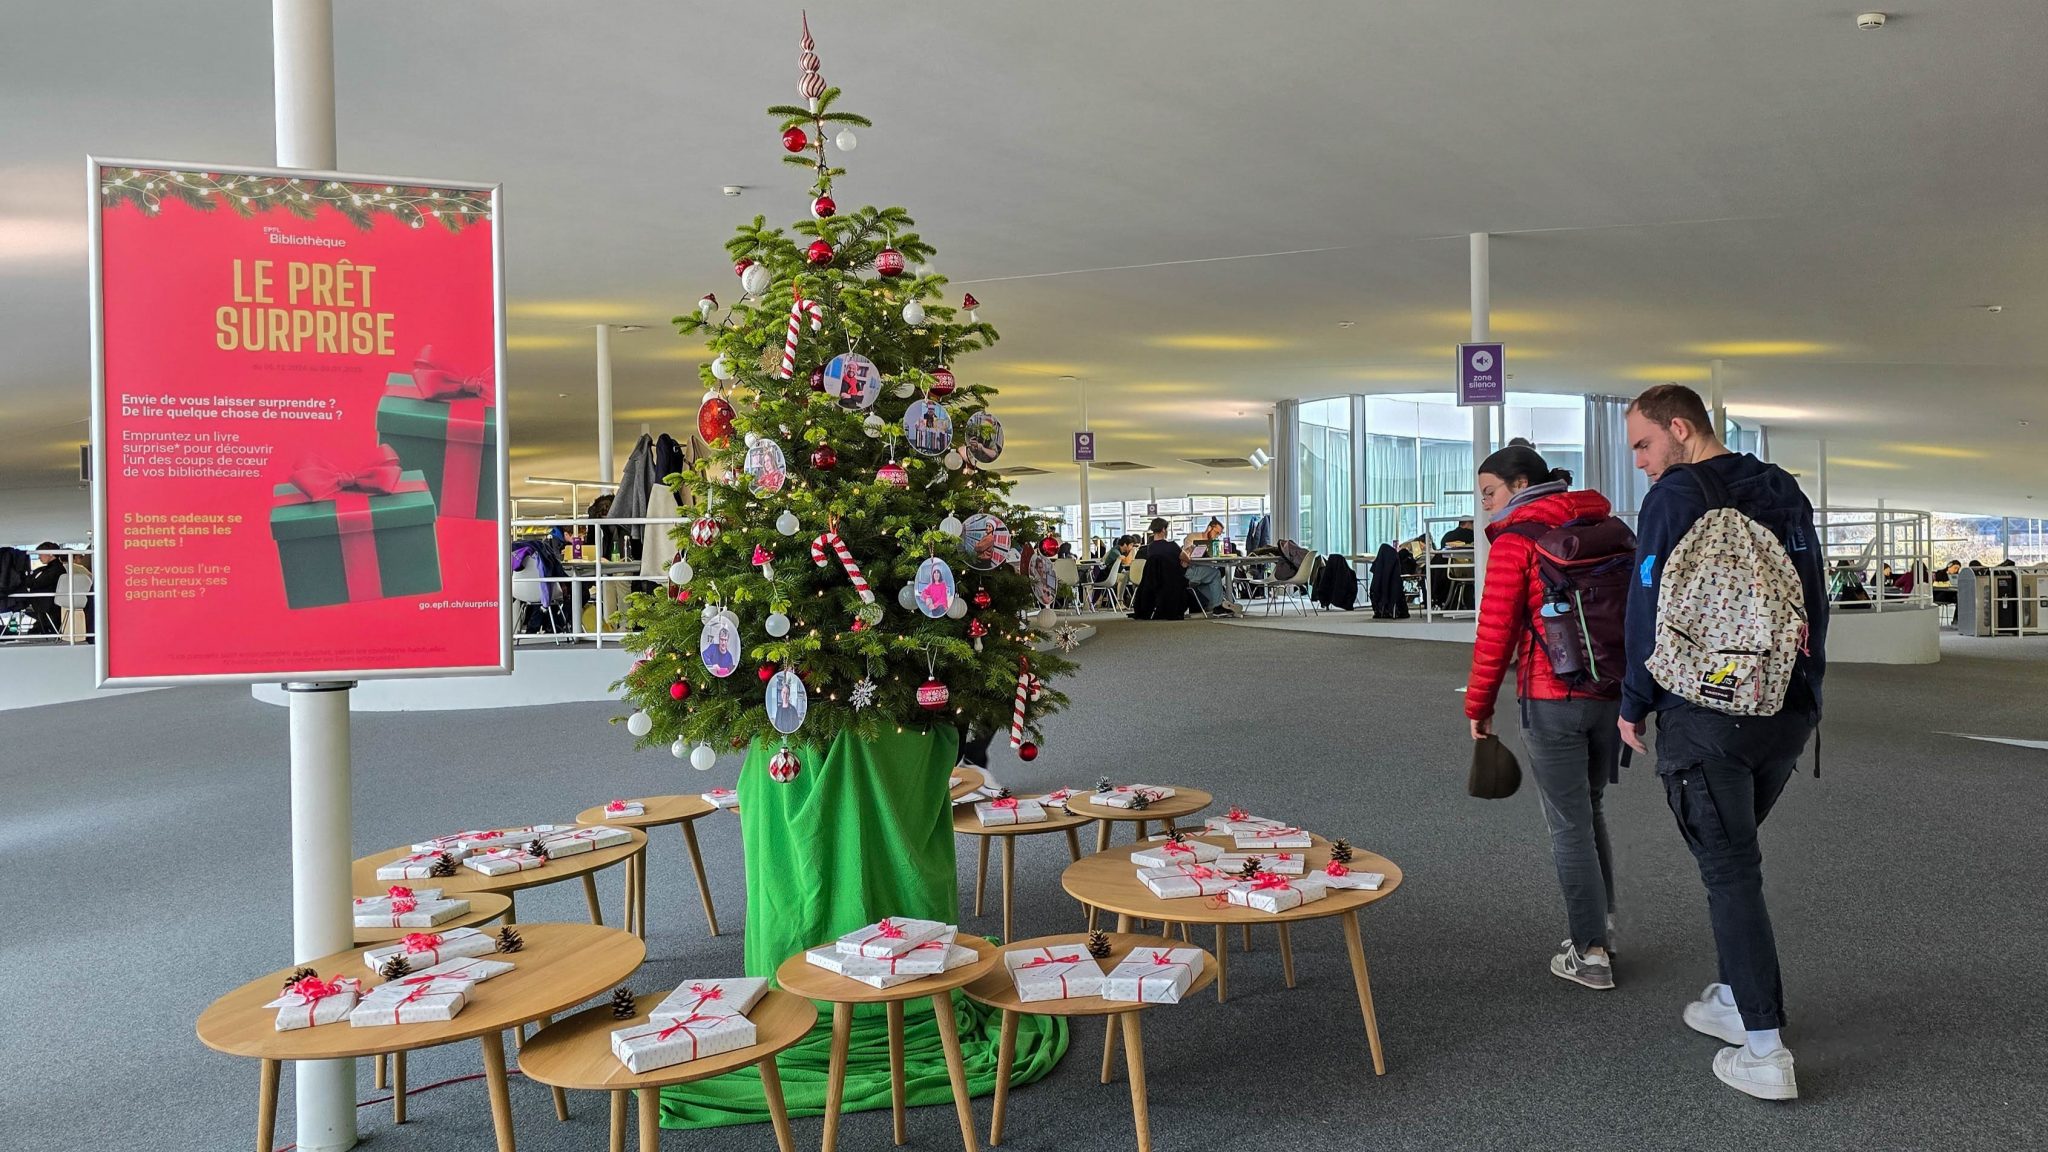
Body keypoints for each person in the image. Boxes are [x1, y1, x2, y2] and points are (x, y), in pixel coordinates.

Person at [1621, 383, 1827, 1102]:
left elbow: (1646, 602)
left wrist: (1633, 701)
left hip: (1707, 712)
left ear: (1681, 429)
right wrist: (1808, 691)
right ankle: (1739, 998)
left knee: (1730, 869)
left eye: (1645, 444)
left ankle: (1765, 1048)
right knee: (1730, 857)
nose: (1643, 463)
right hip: (1786, 709)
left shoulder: (1676, 497)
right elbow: (1814, 596)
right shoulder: (1781, 491)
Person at [1464, 447, 1624, 991]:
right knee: (1589, 808)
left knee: (1567, 824)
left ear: (1521, 484)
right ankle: (1599, 927)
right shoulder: (1602, 523)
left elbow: (1495, 635)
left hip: (1551, 696)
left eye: (1489, 492)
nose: (1485, 506)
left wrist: (1478, 708)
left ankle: (1591, 953)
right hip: (1610, 692)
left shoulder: (1517, 541)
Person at [1130, 518, 1194, 620]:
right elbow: (1187, 559)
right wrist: (1188, 552)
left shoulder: (1150, 548)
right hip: (1173, 582)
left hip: (1155, 582)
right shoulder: (1172, 545)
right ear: (1164, 529)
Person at [1181, 518, 1241, 616]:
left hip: (1203, 572)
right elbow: (1186, 555)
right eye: (1216, 532)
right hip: (1190, 570)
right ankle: (1218, 607)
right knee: (1215, 574)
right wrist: (1194, 549)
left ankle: (1218, 606)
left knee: (1212, 581)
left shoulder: (1214, 543)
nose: (1217, 536)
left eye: (1219, 534)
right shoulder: (1192, 537)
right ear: (1209, 528)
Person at [20, 542, 68, 634]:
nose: (39, 557)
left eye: (41, 554)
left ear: (50, 553)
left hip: (47, 605)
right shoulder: (52, 568)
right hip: (48, 604)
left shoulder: (55, 569)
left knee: (17, 601)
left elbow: (37, 583)